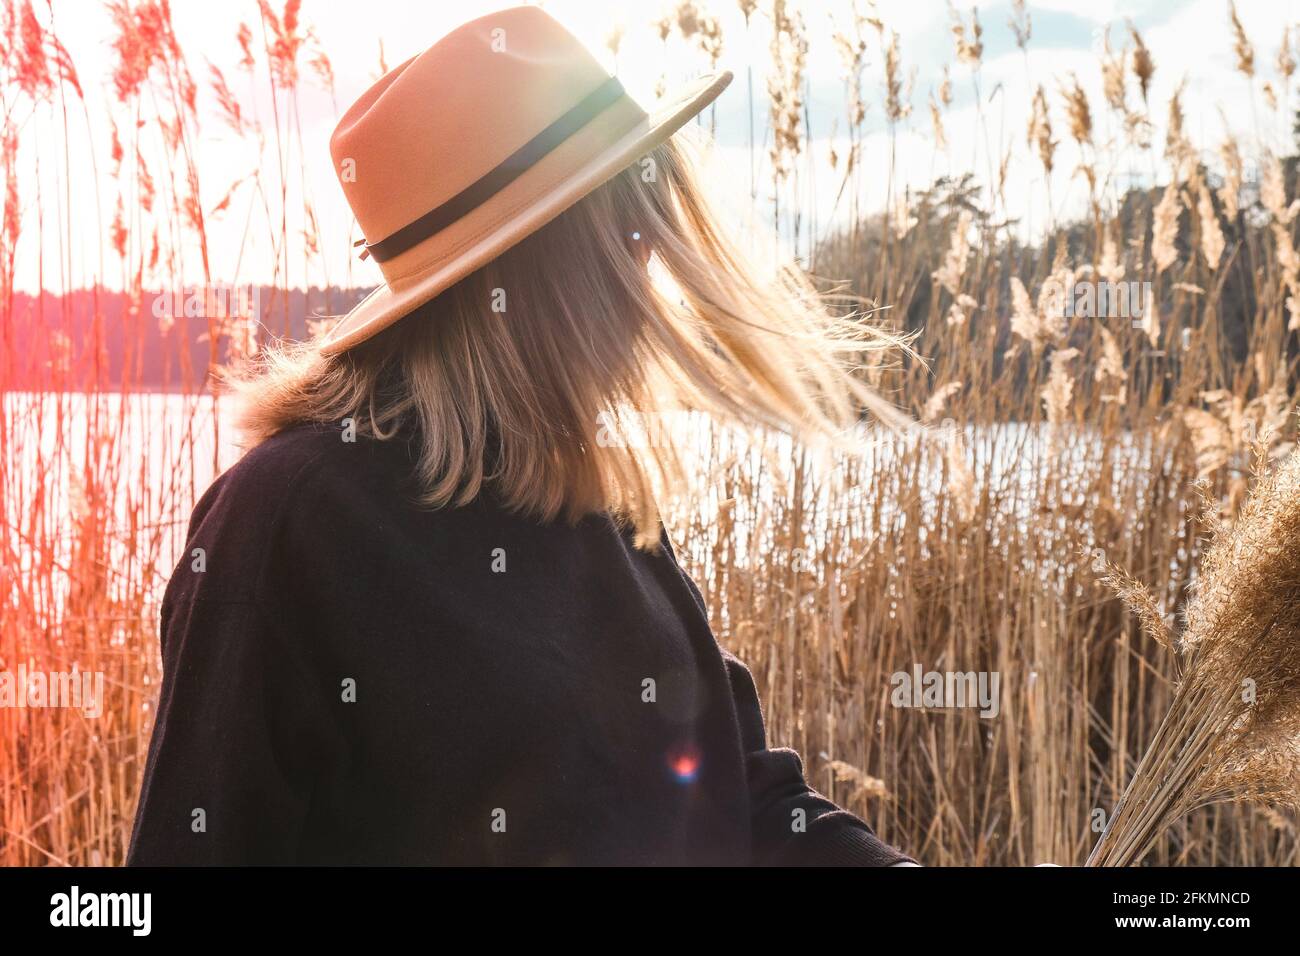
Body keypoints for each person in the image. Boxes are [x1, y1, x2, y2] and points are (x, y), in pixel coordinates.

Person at [127, 6, 913, 866]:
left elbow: (745, 795)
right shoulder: (288, 525)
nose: (649, 271)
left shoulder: (590, 507)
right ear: (545, 271)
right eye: (627, 228)